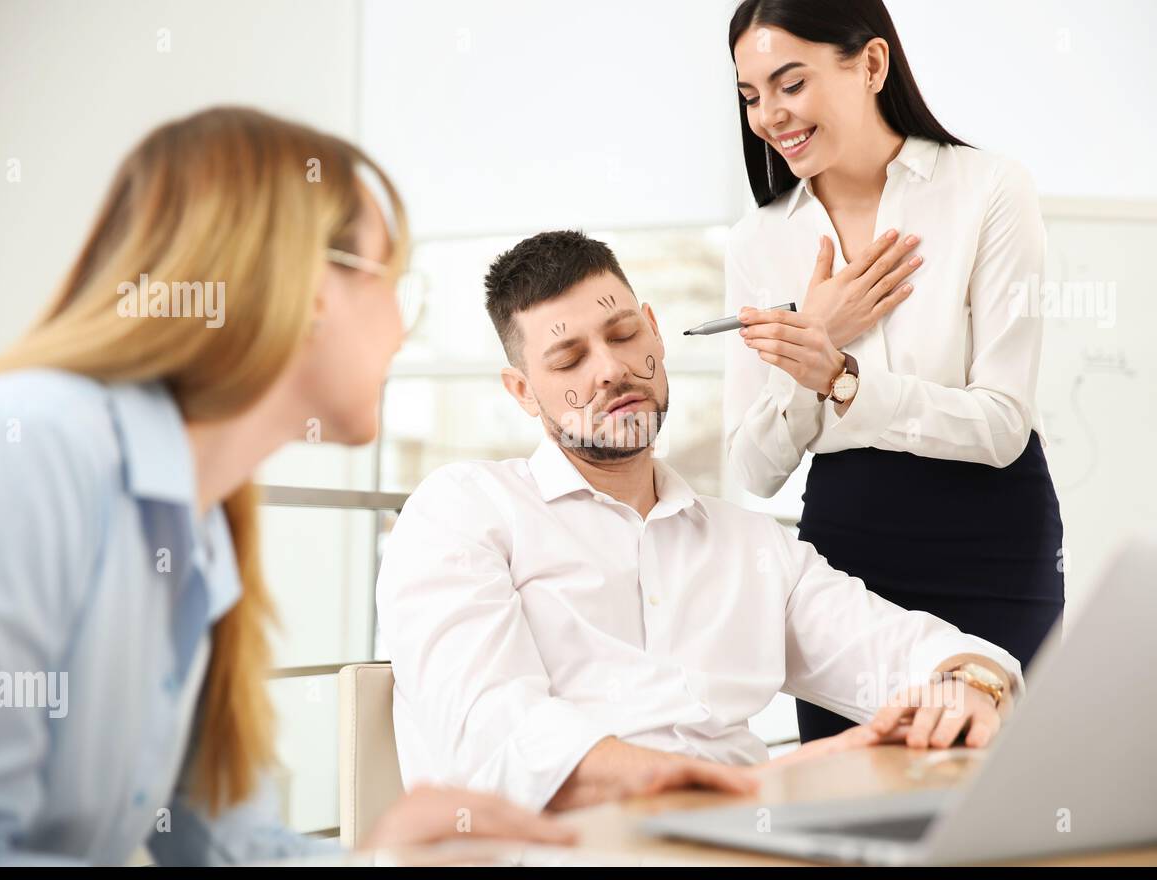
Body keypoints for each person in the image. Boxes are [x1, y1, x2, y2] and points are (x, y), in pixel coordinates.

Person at [0, 107, 573, 865]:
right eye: (394, 282)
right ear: (313, 289)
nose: (400, 328)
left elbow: (227, 847)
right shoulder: (28, 451)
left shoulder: (206, 527)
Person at [376, 229, 1025, 814]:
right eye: (569, 359)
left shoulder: (748, 545)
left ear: (656, 333)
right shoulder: (464, 510)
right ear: (522, 391)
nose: (610, 369)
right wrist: (746, 786)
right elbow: (495, 742)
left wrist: (966, 684)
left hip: (746, 844)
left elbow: (905, 650)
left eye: (624, 335)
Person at [722, 0, 1066, 742]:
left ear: (871, 64)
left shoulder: (988, 190)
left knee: (987, 790)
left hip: (993, 543)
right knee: (851, 795)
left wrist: (843, 380)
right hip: (846, 558)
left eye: (790, 84)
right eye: (751, 96)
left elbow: (1003, 424)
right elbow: (751, 465)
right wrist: (815, 345)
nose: (769, 116)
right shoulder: (758, 239)